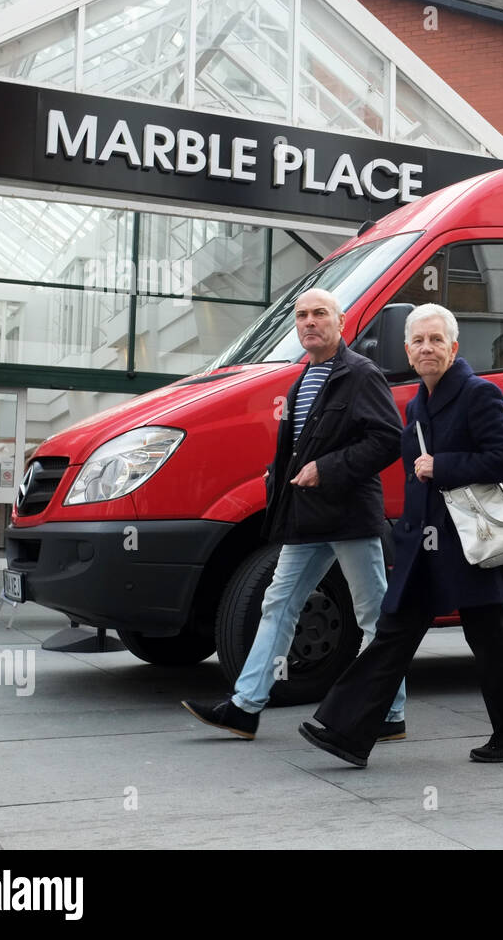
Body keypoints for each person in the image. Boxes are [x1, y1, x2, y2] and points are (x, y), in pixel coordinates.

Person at [299, 303, 503, 767]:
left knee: (490, 639)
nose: (427, 348)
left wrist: (443, 465)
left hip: (468, 543)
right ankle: (347, 732)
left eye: (436, 340)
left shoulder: (478, 394)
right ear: (408, 351)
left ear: (453, 347)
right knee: (392, 634)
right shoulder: (416, 403)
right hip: (425, 547)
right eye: (418, 341)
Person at [183, 288, 405, 740]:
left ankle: (390, 713)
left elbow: (387, 440)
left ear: (340, 321)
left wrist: (327, 469)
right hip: (306, 518)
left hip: (349, 517)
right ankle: (245, 708)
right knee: (278, 603)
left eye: (319, 314)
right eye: (302, 315)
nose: (309, 322)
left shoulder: (361, 375)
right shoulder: (300, 380)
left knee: (372, 616)